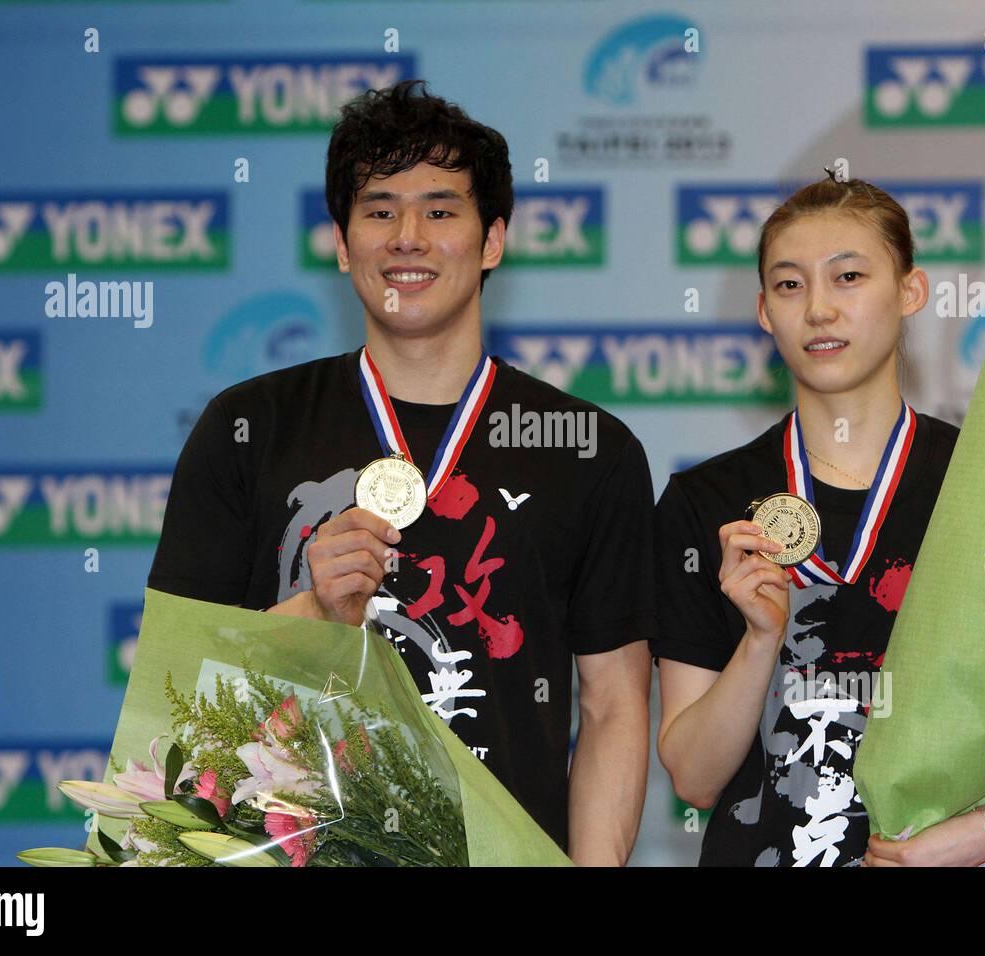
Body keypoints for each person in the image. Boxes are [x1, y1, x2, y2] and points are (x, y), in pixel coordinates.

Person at [147, 79, 653, 865]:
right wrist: (313, 611)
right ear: (343, 244)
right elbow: (174, 692)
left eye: (441, 210)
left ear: (492, 240)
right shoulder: (248, 428)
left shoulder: (590, 448)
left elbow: (616, 706)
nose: (407, 237)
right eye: (379, 210)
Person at [652, 173, 985, 867]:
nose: (818, 309)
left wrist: (983, 833)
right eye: (789, 286)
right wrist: (759, 642)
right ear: (762, 311)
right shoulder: (706, 502)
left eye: (848, 277)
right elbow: (694, 777)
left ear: (910, 291)